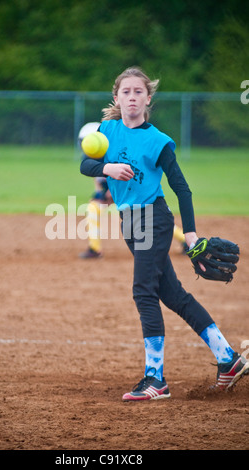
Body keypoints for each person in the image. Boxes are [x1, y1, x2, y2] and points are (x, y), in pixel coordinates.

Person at [80, 66, 249, 401]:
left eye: (138, 92)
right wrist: (106, 167)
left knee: (143, 291)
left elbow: (182, 189)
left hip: (153, 220)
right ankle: (228, 359)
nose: (131, 97)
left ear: (148, 99)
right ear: (116, 97)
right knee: (172, 295)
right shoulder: (107, 130)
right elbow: (85, 165)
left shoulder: (158, 142)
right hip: (130, 222)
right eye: (125, 91)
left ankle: (155, 378)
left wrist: (190, 236)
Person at [78, 123, 187, 259]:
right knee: (93, 208)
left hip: (130, 193)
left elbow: (128, 177)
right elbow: (99, 183)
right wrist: (100, 195)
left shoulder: (114, 152)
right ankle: (94, 249)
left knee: (151, 220)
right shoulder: (93, 158)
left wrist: (110, 194)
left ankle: (185, 240)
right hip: (113, 193)